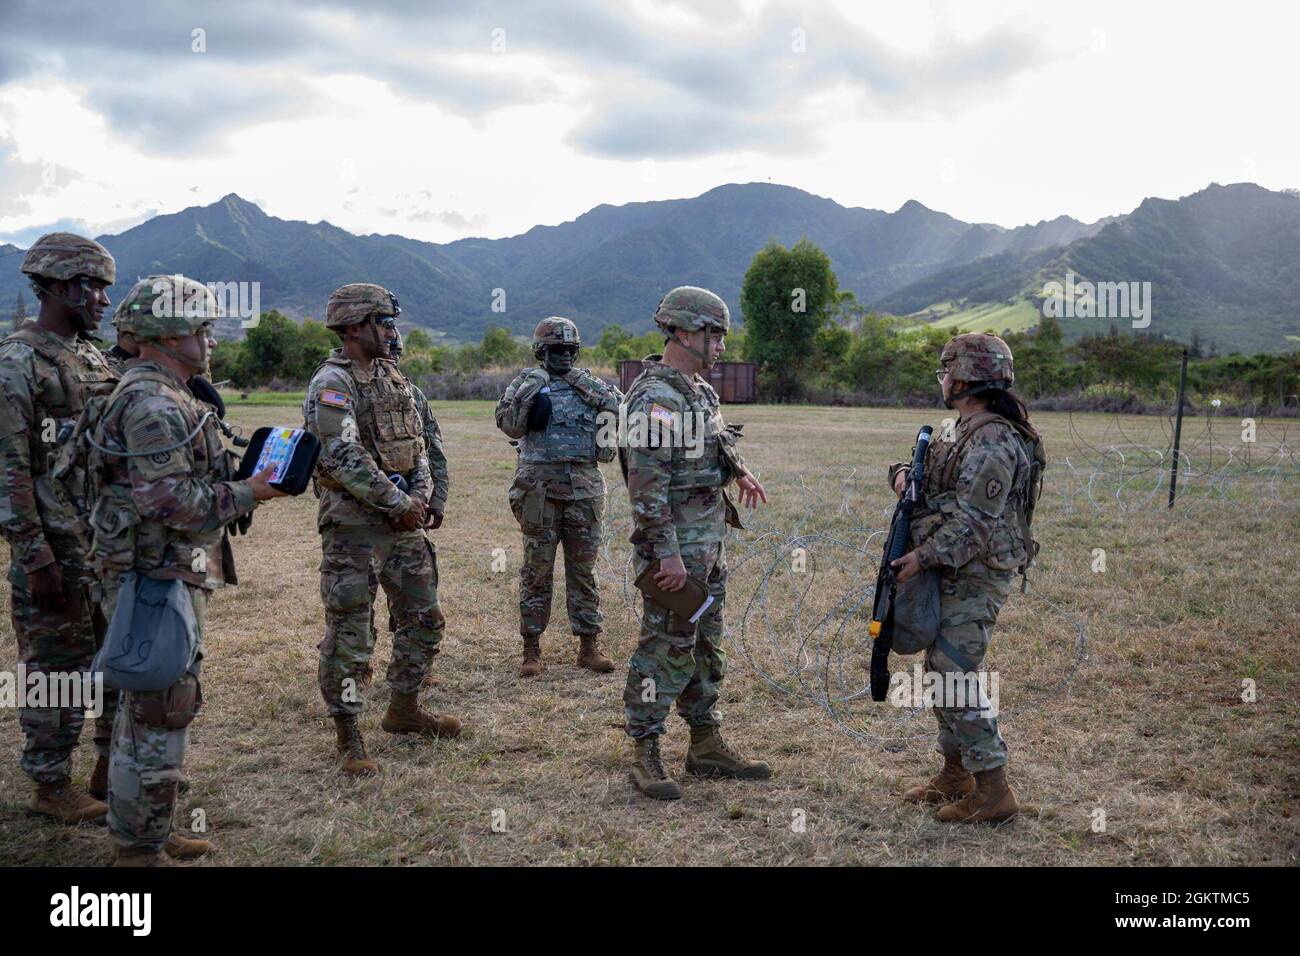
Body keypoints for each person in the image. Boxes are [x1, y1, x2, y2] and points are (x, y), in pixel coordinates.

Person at [88, 274, 286, 865]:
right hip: (154, 574)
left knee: (151, 706)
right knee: (159, 706)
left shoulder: (170, 393)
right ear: (170, 335)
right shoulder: (152, 401)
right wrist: (248, 492)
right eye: (202, 328)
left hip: (164, 572)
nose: (211, 340)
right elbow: (167, 501)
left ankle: (147, 822)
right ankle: (138, 852)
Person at [304, 283, 461, 779]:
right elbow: (340, 455)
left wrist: (423, 495)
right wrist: (398, 503)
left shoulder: (393, 378)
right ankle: (348, 733)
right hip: (354, 529)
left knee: (424, 618)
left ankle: (404, 709)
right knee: (352, 633)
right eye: (383, 321)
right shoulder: (332, 383)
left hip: (404, 525)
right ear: (352, 327)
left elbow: (418, 446)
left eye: (392, 321)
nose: (392, 331)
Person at [620, 286, 769, 800]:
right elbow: (646, 483)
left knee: (706, 646)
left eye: (723, 333)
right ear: (683, 332)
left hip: (707, 547)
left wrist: (741, 473)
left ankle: (705, 743)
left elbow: (716, 444)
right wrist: (666, 553)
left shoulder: (698, 390)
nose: (722, 344)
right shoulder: (654, 397)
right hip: (676, 553)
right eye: (714, 333)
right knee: (664, 648)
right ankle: (644, 749)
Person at [888, 332, 1041, 824]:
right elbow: (932, 477)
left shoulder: (994, 438)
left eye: (946, 372)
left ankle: (994, 789)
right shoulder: (964, 428)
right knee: (940, 667)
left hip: (977, 570)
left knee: (954, 671)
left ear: (964, 378)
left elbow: (977, 522)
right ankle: (956, 775)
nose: (942, 381)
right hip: (952, 566)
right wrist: (900, 475)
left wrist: (924, 557)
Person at [0, 233, 119, 824]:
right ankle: (50, 785)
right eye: (92, 285)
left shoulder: (93, 358)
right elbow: (9, 469)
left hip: (105, 548)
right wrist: (35, 556)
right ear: (58, 285)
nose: (101, 298)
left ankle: (105, 767)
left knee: (112, 661)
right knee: (55, 671)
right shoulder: (17, 362)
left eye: (104, 287)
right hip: (56, 552)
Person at [494, 317, 621, 677]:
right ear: (540, 352)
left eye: (570, 350)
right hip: (540, 490)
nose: (564, 357)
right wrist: (531, 392)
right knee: (537, 570)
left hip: (584, 489)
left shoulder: (591, 385)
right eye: (556, 350)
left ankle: (589, 647)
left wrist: (591, 392)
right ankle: (531, 650)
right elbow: (508, 424)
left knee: (583, 572)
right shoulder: (526, 383)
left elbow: (616, 413)